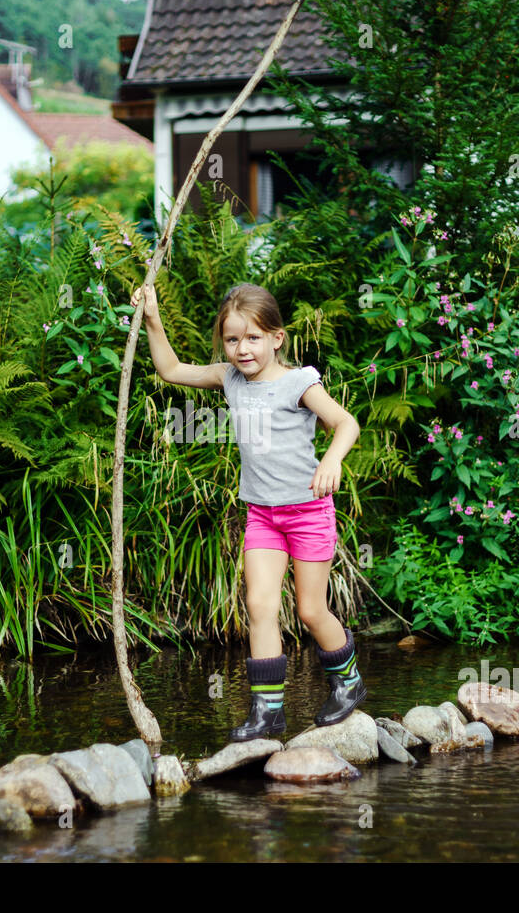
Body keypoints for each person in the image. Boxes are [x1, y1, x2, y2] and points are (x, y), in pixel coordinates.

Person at [134, 280, 366, 742]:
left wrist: (332, 459)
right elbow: (171, 369)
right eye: (233, 338)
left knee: (309, 609)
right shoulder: (229, 378)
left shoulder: (299, 382)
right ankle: (268, 712)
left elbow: (346, 423)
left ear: (277, 338)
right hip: (263, 515)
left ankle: (349, 682)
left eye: (254, 337)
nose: (243, 349)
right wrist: (153, 318)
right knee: (259, 606)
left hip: (307, 513)